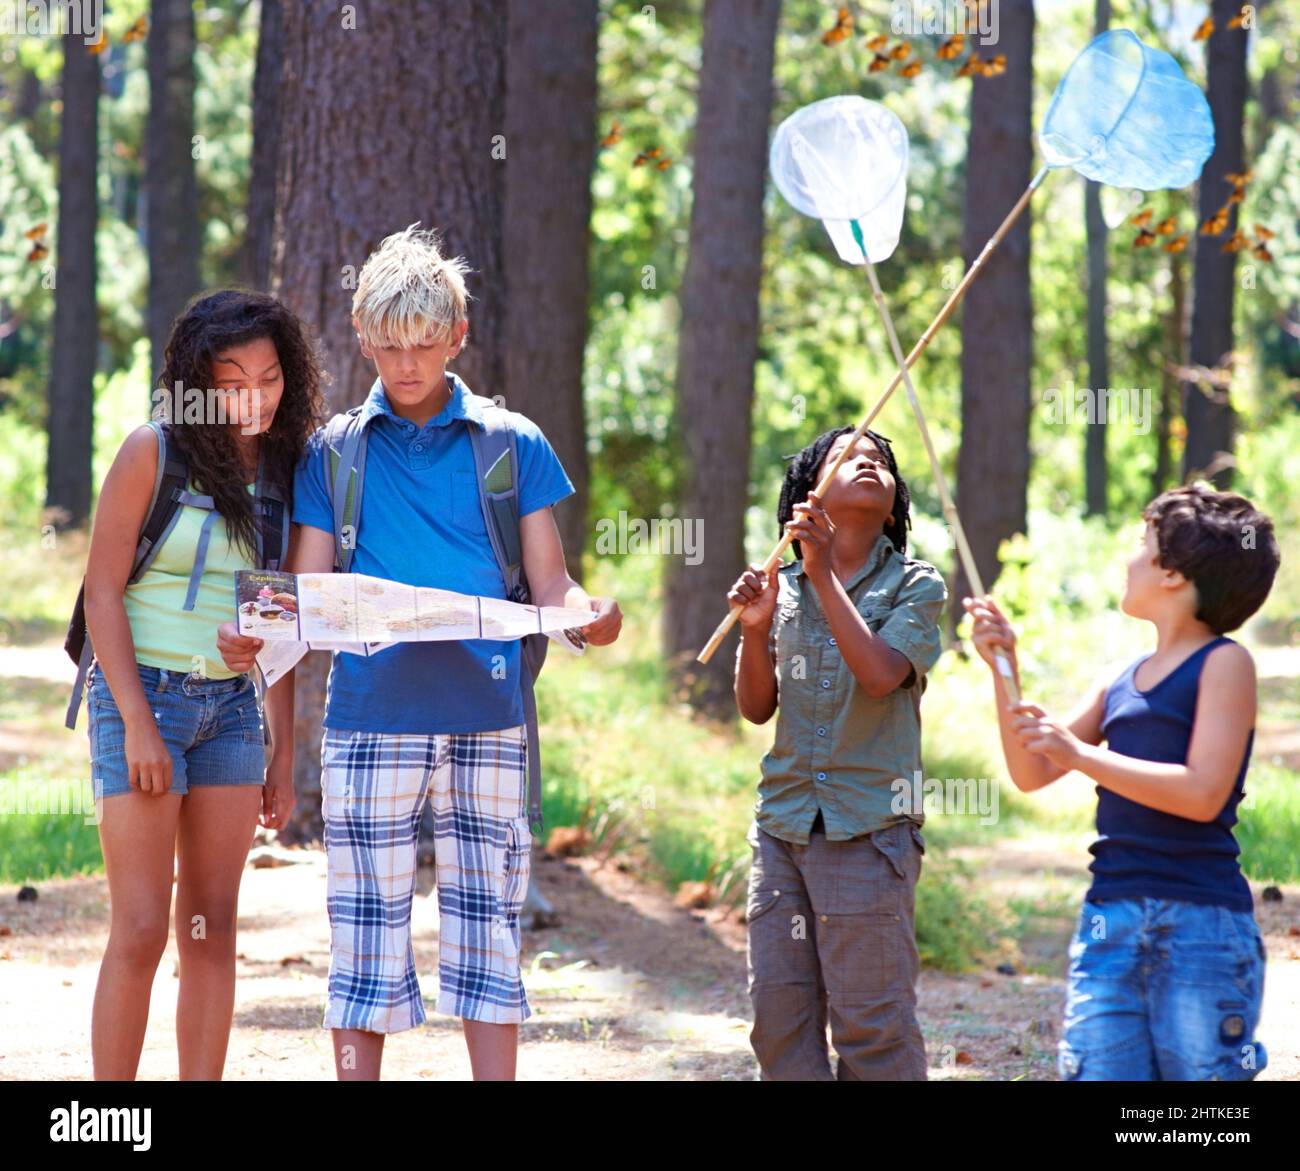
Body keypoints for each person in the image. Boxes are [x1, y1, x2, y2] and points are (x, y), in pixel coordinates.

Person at [218, 224, 622, 1081]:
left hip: (489, 718)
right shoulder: (334, 451)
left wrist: (589, 617)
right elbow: (306, 592)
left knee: (488, 933)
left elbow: (553, 588)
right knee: (363, 934)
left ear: (458, 337)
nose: (407, 364)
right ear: (363, 336)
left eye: (426, 344)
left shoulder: (512, 445)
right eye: (391, 345)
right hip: (371, 722)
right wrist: (257, 628)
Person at [963, 483, 1281, 1081]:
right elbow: (1034, 769)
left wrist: (1081, 754)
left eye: (1143, 544)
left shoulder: (1225, 663)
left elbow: (1201, 792)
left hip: (1200, 925)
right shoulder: (1120, 677)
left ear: (1172, 573)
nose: (1130, 557)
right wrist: (1004, 666)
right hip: (1110, 916)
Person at [85, 289, 325, 1078]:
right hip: (143, 697)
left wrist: (281, 750)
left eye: (269, 376)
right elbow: (100, 594)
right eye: (233, 381)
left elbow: (278, 619)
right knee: (146, 926)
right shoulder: (151, 451)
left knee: (213, 924)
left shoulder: (290, 473)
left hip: (232, 713)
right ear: (197, 380)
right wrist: (138, 724)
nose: (255, 396)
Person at [728, 424, 946, 1080]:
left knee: (870, 1024)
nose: (869, 462)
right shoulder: (781, 584)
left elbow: (881, 675)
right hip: (784, 828)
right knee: (779, 1020)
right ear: (807, 495)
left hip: (868, 830)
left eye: (880, 459)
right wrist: (757, 626)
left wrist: (822, 575)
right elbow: (755, 706)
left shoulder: (917, 583)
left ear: (895, 498)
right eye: (848, 456)